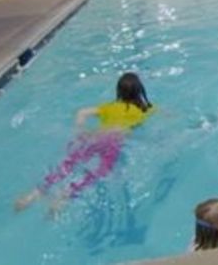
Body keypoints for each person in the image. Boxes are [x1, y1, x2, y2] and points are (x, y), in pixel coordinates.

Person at [14, 72, 154, 214]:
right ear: (140, 91)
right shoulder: (144, 110)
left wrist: (80, 130)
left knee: (68, 165)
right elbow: (163, 115)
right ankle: (65, 195)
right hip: (112, 141)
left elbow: (81, 112)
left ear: (118, 91)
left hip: (94, 137)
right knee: (99, 172)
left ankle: (35, 193)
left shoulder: (108, 107)